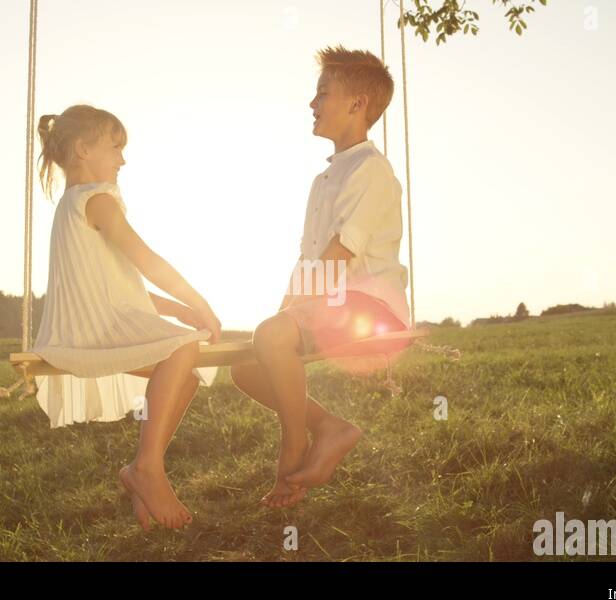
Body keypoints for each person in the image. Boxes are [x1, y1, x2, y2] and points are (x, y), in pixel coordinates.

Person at [231, 47, 412, 508]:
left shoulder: (371, 170)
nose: (312, 104)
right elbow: (308, 258)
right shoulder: (325, 179)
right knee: (246, 365)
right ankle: (329, 427)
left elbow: (339, 253)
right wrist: (282, 314)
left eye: (322, 94)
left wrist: (288, 318)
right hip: (330, 304)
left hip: (370, 309)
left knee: (271, 338)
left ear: (357, 105)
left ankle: (292, 451)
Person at [31, 105, 222, 530]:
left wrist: (179, 310)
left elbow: (119, 284)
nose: (122, 159)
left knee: (186, 373)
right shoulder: (97, 201)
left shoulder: (71, 205)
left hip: (93, 322)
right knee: (184, 349)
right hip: (91, 329)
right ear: (83, 149)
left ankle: (141, 471)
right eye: (115, 148)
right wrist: (200, 301)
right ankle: (148, 469)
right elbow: (145, 260)